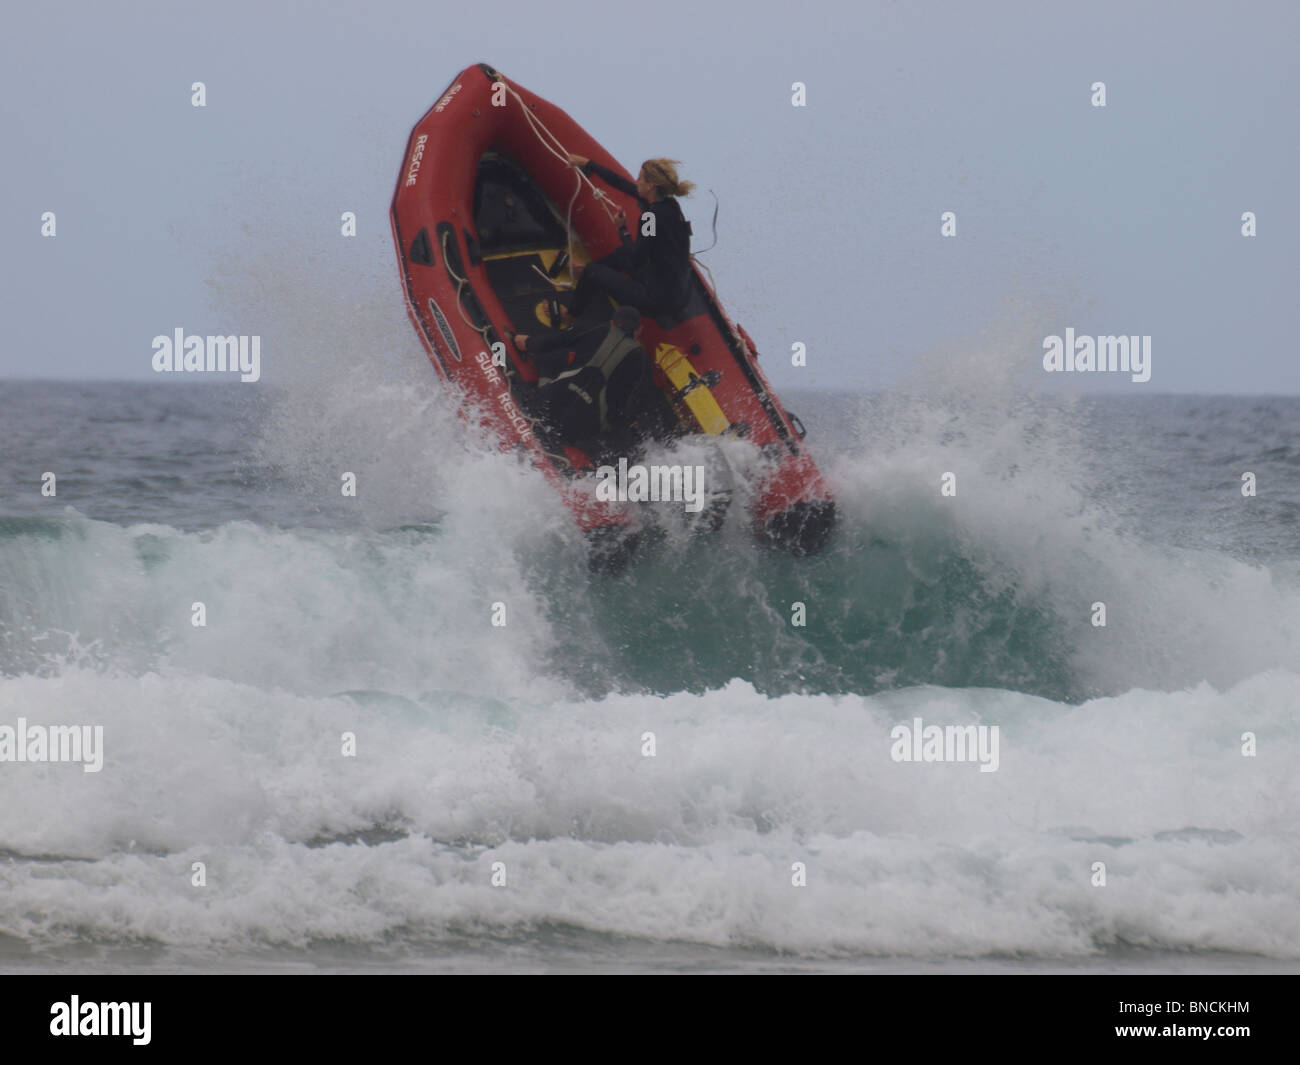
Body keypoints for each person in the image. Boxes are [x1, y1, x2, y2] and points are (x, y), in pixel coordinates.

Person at [511, 306, 674, 462]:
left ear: (612, 322)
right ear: (638, 331)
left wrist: (527, 342)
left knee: (551, 361)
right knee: (613, 418)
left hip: (548, 404)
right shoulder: (639, 359)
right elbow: (621, 405)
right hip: (580, 427)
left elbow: (553, 342)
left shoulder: (594, 329)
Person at [561, 154, 695, 324]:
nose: (636, 181)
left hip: (657, 300)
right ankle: (591, 279)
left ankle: (570, 315)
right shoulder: (670, 205)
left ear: (651, 186)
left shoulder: (650, 218)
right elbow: (623, 184)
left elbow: (636, 260)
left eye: (640, 178)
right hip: (678, 291)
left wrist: (622, 229)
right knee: (621, 254)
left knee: (592, 270)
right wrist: (590, 164)